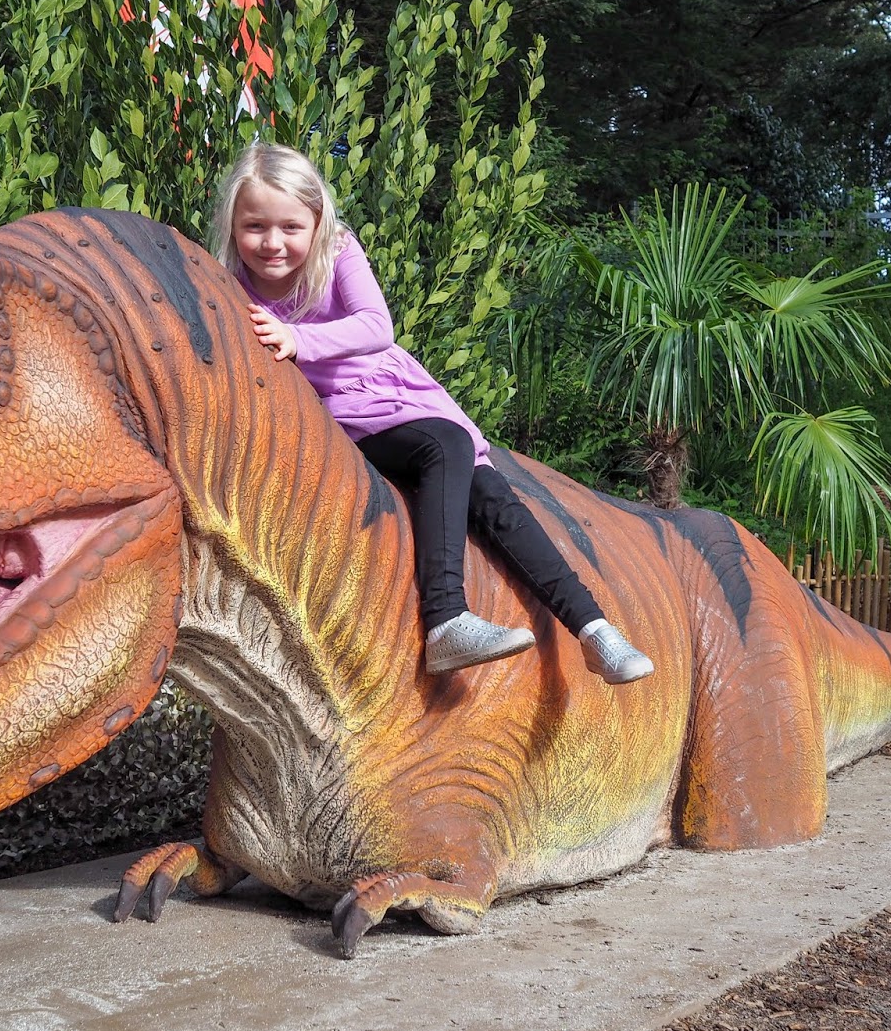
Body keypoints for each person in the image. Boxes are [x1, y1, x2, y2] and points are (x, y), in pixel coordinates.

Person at [210, 142, 653, 682]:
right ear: (233, 224)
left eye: (290, 227)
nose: (273, 243)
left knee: (494, 498)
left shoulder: (339, 252)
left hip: (393, 394)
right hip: (334, 416)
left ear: (318, 221)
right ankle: (445, 620)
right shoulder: (226, 281)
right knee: (448, 444)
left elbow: (377, 325)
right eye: (256, 226)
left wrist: (296, 338)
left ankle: (592, 628)